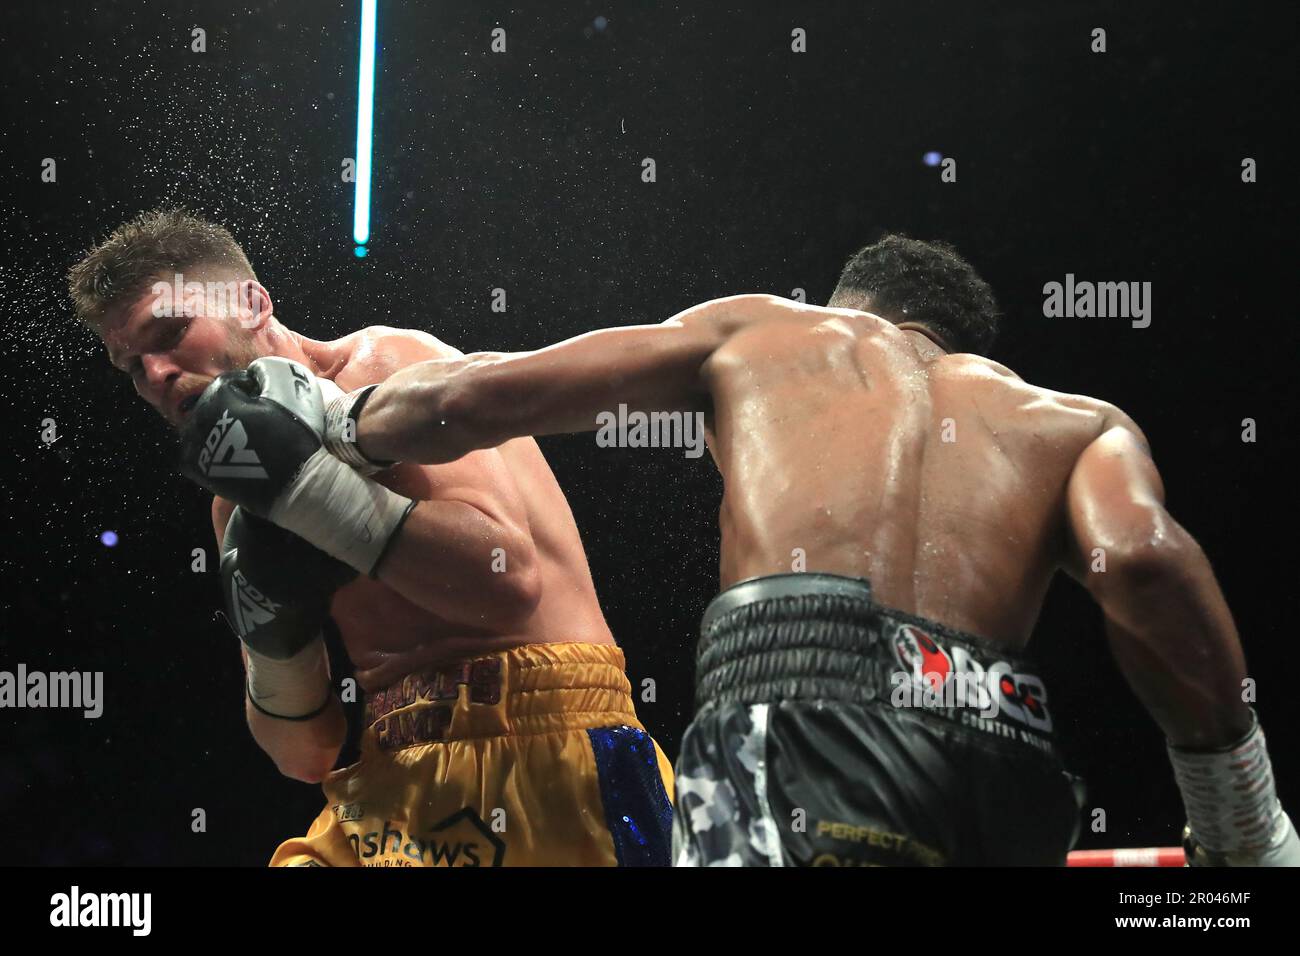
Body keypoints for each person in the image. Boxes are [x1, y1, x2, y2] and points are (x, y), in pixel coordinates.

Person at [313, 234, 1297, 866]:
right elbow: (1145, 561)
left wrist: (332, 430)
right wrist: (1240, 820)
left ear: (847, 303)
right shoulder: (1076, 421)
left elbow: (475, 393)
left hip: (802, 714)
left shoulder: (767, 332)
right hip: (1002, 739)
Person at [66, 208, 673, 867]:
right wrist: (276, 640)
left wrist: (316, 496)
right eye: (132, 366)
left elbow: (508, 583)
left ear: (250, 301)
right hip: (389, 786)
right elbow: (303, 754)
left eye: (170, 330)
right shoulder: (235, 508)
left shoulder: (391, 368)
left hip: (548, 751)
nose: (154, 373)